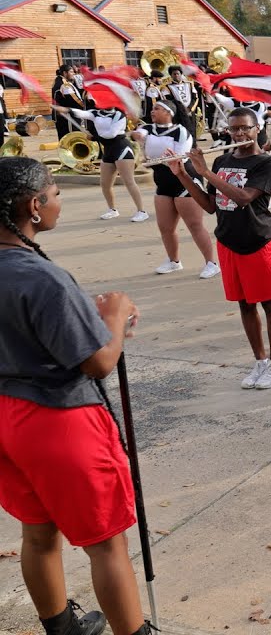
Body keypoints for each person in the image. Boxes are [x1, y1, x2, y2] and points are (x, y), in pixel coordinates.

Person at [0, 157, 156, 635]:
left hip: (6, 416)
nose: (59, 203)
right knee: (107, 543)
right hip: (58, 420)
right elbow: (97, 362)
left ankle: (60, 626)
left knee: (38, 532)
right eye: (56, 193)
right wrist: (115, 318)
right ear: (34, 204)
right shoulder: (41, 277)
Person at [165, 108, 271, 390]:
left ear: (258, 128)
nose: (239, 134)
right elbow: (210, 205)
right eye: (234, 129)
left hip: (256, 242)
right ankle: (259, 362)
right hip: (228, 242)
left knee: (270, 305)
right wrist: (183, 174)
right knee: (244, 305)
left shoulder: (267, 163)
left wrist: (206, 170)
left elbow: (244, 198)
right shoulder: (222, 160)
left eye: (245, 128)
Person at [132, 99, 219, 278]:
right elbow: (139, 133)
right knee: (165, 227)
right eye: (153, 108)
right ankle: (173, 261)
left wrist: (154, 161)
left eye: (157, 109)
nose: (152, 111)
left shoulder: (181, 131)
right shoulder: (148, 128)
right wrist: (137, 135)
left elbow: (180, 158)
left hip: (183, 180)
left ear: (168, 112)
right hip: (162, 182)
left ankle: (211, 263)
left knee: (195, 225)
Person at [53, 105, 148, 223]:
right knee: (105, 183)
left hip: (122, 149)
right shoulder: (95, 113)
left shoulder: (119, 115)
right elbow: (81, 113)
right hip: (108, 150)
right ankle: (112, 209)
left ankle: (141, 211)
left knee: (129, 181)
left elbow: (111, 134)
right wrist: (66, 109)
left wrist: (94, 137)